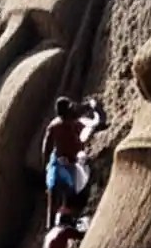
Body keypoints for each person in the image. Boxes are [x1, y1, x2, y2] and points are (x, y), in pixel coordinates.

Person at [42, 97, 105, 226]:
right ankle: (51, 222)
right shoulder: (56, 126)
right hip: (61, 161)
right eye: (68, 112)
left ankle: (69, 217)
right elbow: (47, 148)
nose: (70, 114)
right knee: (54, 189)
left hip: (74, 160)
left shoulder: (75, 120)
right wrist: (46, 165)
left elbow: (90, 108)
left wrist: (93, 105)